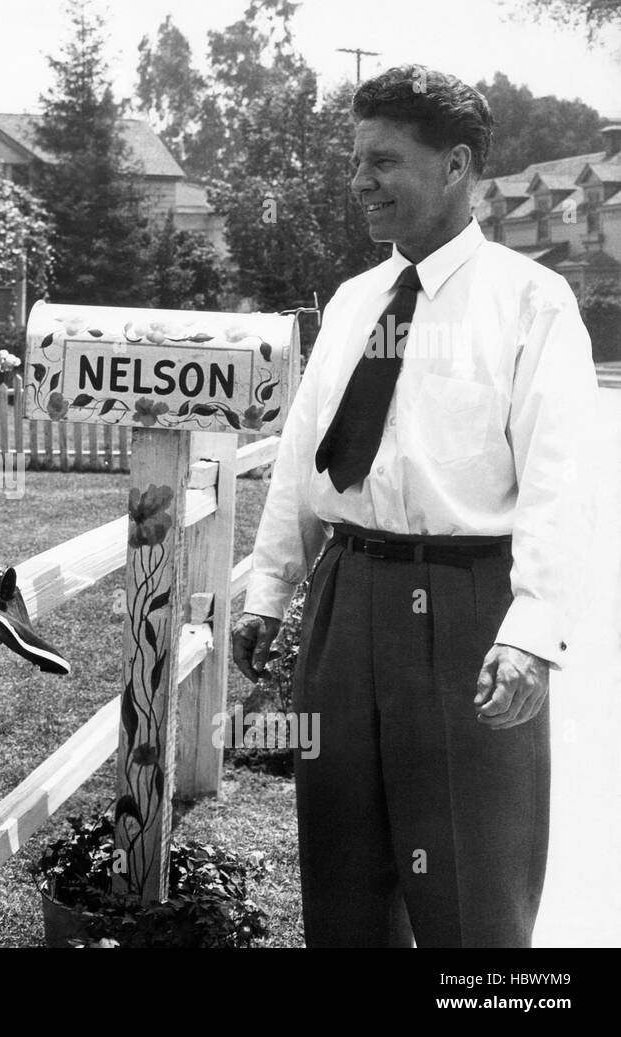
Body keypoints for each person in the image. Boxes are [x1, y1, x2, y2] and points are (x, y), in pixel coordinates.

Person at [230, 65, 597, 948]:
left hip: (471, 612)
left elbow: (563, 482)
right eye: (356, 159)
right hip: (346, 602)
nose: (359, 180)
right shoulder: (356, 302)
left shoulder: (531, 303)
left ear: (456, 165)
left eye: (384, 160)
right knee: (345, 879)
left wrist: (530, 634)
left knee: (474, 893)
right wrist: (269, 591)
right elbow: (299, 461)